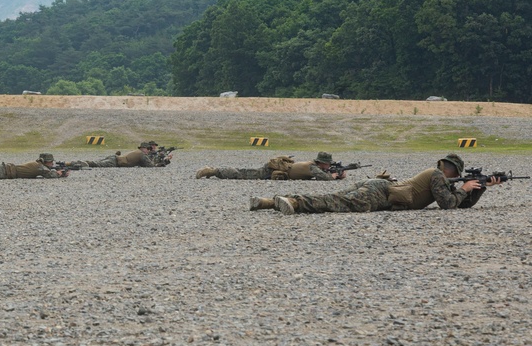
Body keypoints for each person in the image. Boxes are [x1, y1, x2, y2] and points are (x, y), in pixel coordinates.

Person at [251, 153, 499, 214]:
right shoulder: (436, 176)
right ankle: (294, 202)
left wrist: (480, 187)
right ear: (452, 170)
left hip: (380, 188)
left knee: (336, 197)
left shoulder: (440, 179)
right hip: (381, 193)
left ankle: (268, 202)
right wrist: (465, 189)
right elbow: (448, 204)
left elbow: (461, 205)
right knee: (337, 202)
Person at [196, 151, 346, 180]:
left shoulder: (314, 165)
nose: (329, 166)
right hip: (272, 170)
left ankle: (215, 171)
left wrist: (340, 174)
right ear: (322, 163)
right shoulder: (313, 167)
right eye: (328, 164)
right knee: (242, 174)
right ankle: (213, 171)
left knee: (243, 172)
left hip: (278, 170)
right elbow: (324, 178)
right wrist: (334, 176)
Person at [66, 141, 159, 169]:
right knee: (94, 164)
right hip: (115, 162)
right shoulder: (142, 155)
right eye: (149, 149)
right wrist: (162, 162)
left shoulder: (137, 152)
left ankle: (71, 163)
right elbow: (150, 166)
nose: (149, 151)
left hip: (114, 158)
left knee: (95, 162)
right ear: (145, 149)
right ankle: (73, 163)